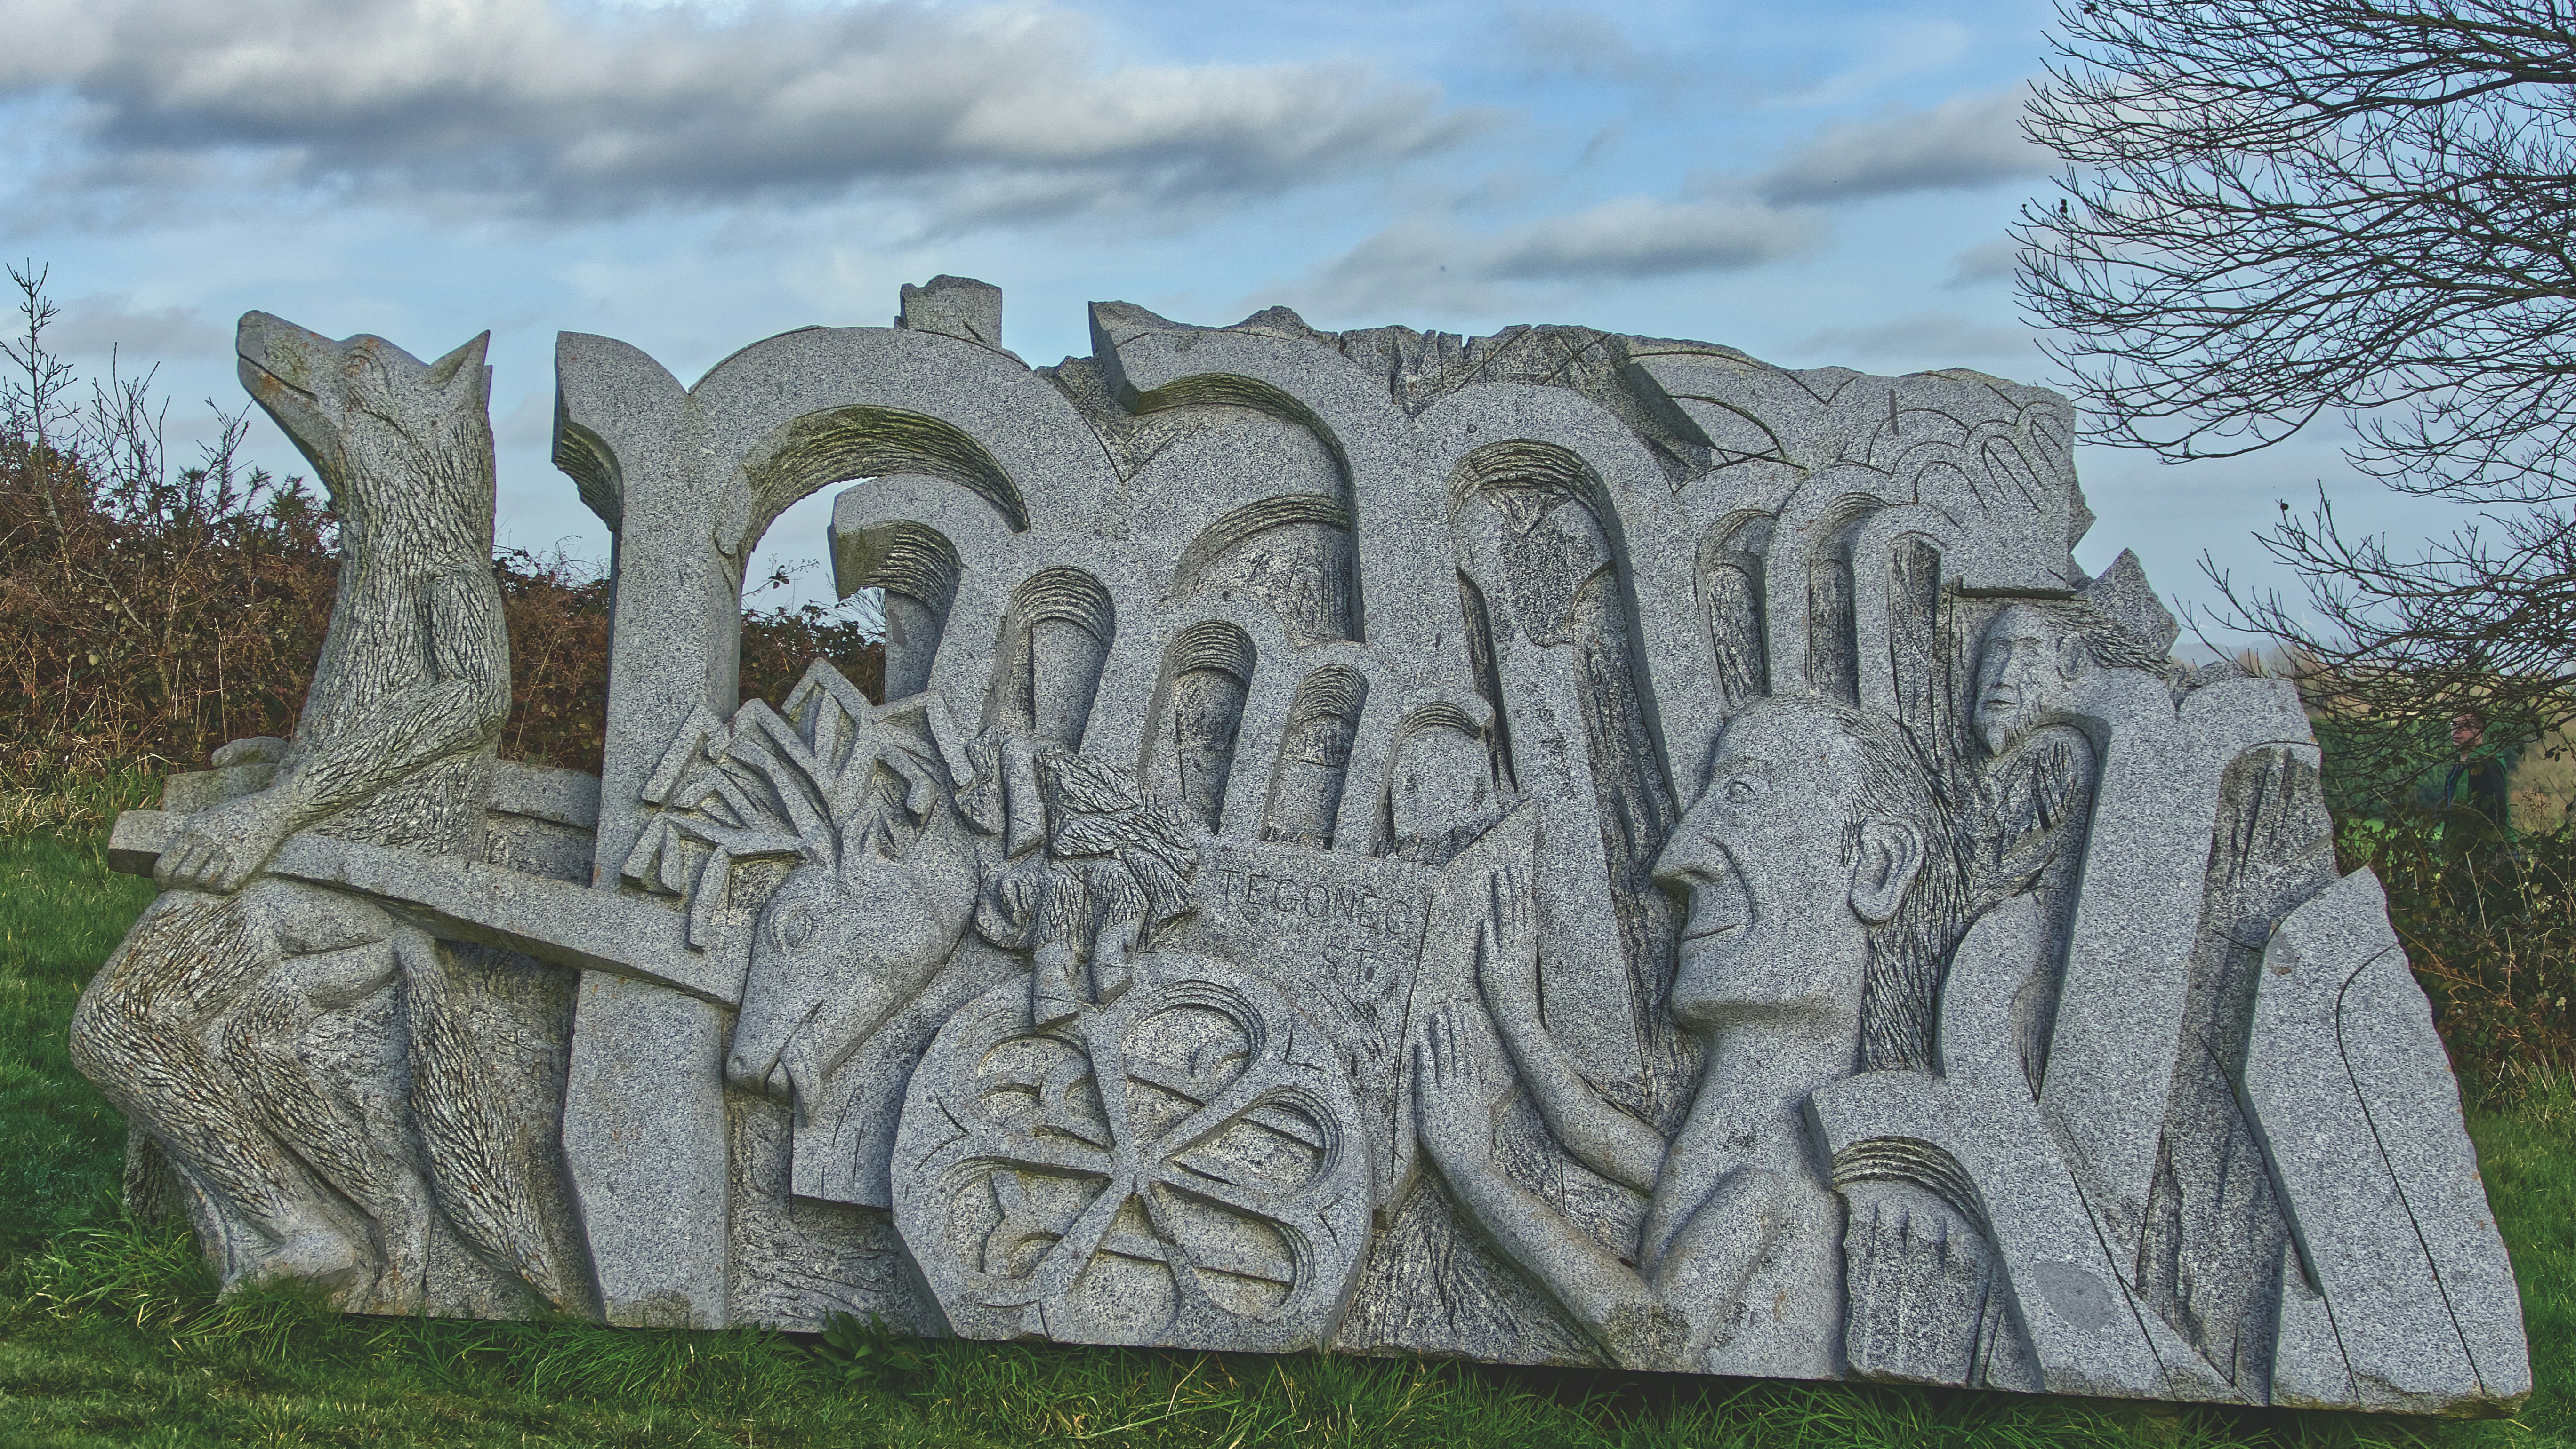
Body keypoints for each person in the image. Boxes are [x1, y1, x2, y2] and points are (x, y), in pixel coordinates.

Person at [1414, 695, 2022, 1381]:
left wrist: (1474, 1174)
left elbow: (1657, 1338)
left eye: (1741, 794)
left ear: (1876, 866)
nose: (1674, 861)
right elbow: (1587, 1129)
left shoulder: (1777, 1189)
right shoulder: (1752, 1158)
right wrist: (1516, 1008)